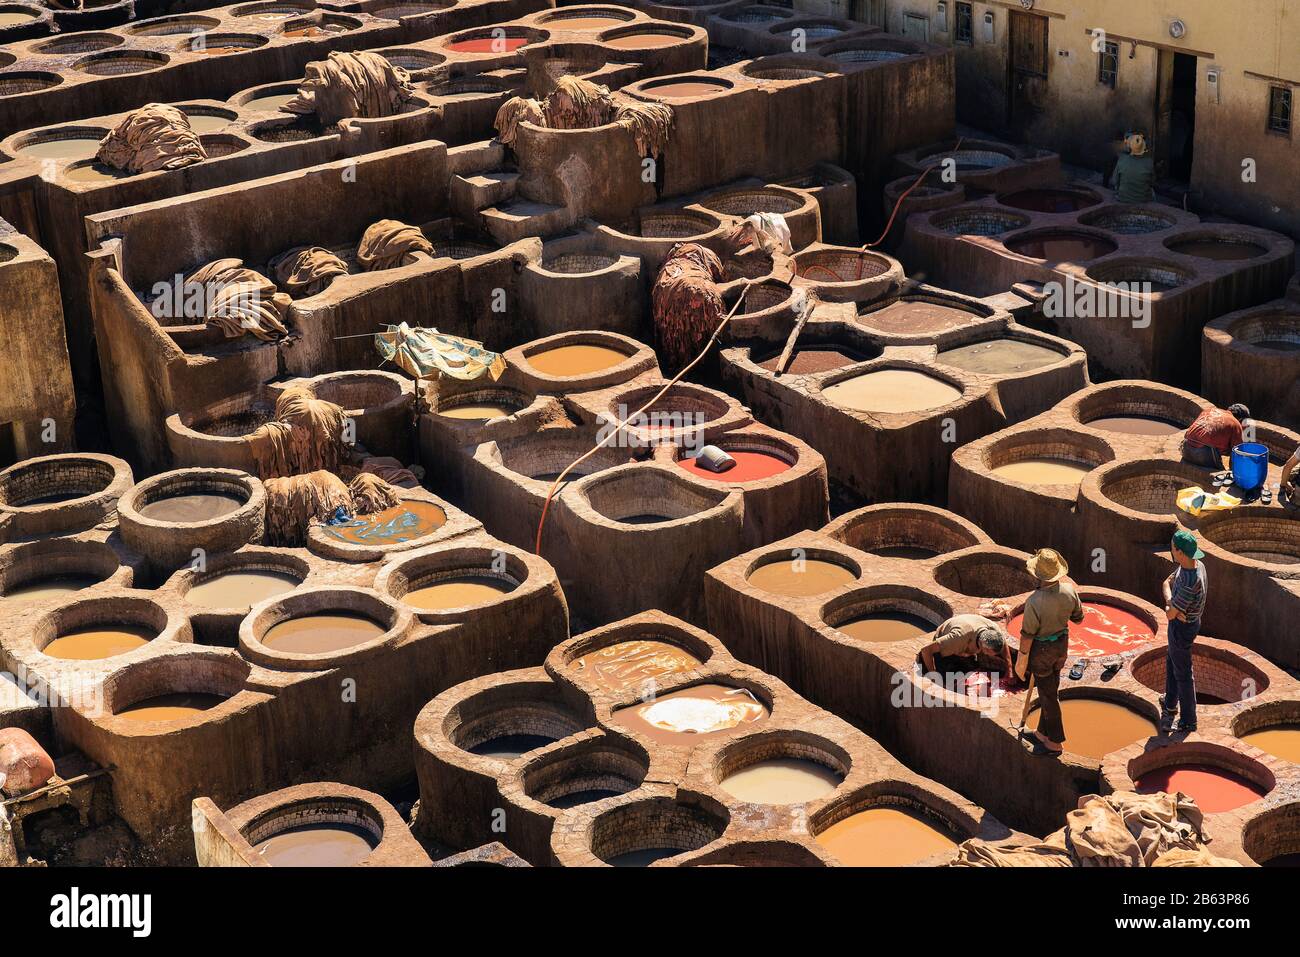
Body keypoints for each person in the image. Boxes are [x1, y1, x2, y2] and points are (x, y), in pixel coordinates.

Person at [1018, 548, 1084, 756]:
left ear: (1038, 575)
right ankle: (1041, 734)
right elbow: (1078, 618)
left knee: (1048, 696)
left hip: (1042, 650)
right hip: (1061, 645)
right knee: (1050, 689)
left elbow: (1027, 635)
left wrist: (1022, 660)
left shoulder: (1034, 602)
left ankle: (1055, 742)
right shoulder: (1069, 591)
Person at [1160, 530, 1208, 734]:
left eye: (1172, 547)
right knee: (1172, 661)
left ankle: (1188, 720)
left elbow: (1170, 614)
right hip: (1187, 622)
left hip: (1182, 627)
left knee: (1183, 674)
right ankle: (1170, 702)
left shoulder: (1189, 581)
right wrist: (1172, 604)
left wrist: (1168, 599)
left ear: (1179, 552)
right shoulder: (1197, 565)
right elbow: (1170, 579)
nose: (1171, 549)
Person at [919, 614, 1014, 678]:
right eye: (990, 653)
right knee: (947, 678)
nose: (992, 655)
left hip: (967, 630)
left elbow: (1003, 644)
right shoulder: (958, 638)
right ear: (983, 646)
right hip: (947, 640)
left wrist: (1009, 669)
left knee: (972, 669)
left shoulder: (993, 629)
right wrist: (934, 675)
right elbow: (926, 650)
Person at [1181, 403, 1250, 470]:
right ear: (1241, 419)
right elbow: (1237, 453)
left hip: (1185, 447)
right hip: (1203, 453)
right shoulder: (1235, 423)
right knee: (1221, 476)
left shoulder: (1208, 411)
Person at [1109, 132, 1156, 204]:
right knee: (1153, 193)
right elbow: (1152, 182)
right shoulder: (1149, 162)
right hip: (1143, 199)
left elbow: (1114, 181)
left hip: (1123, 198)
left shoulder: (1122, 159)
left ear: (1129, 146)